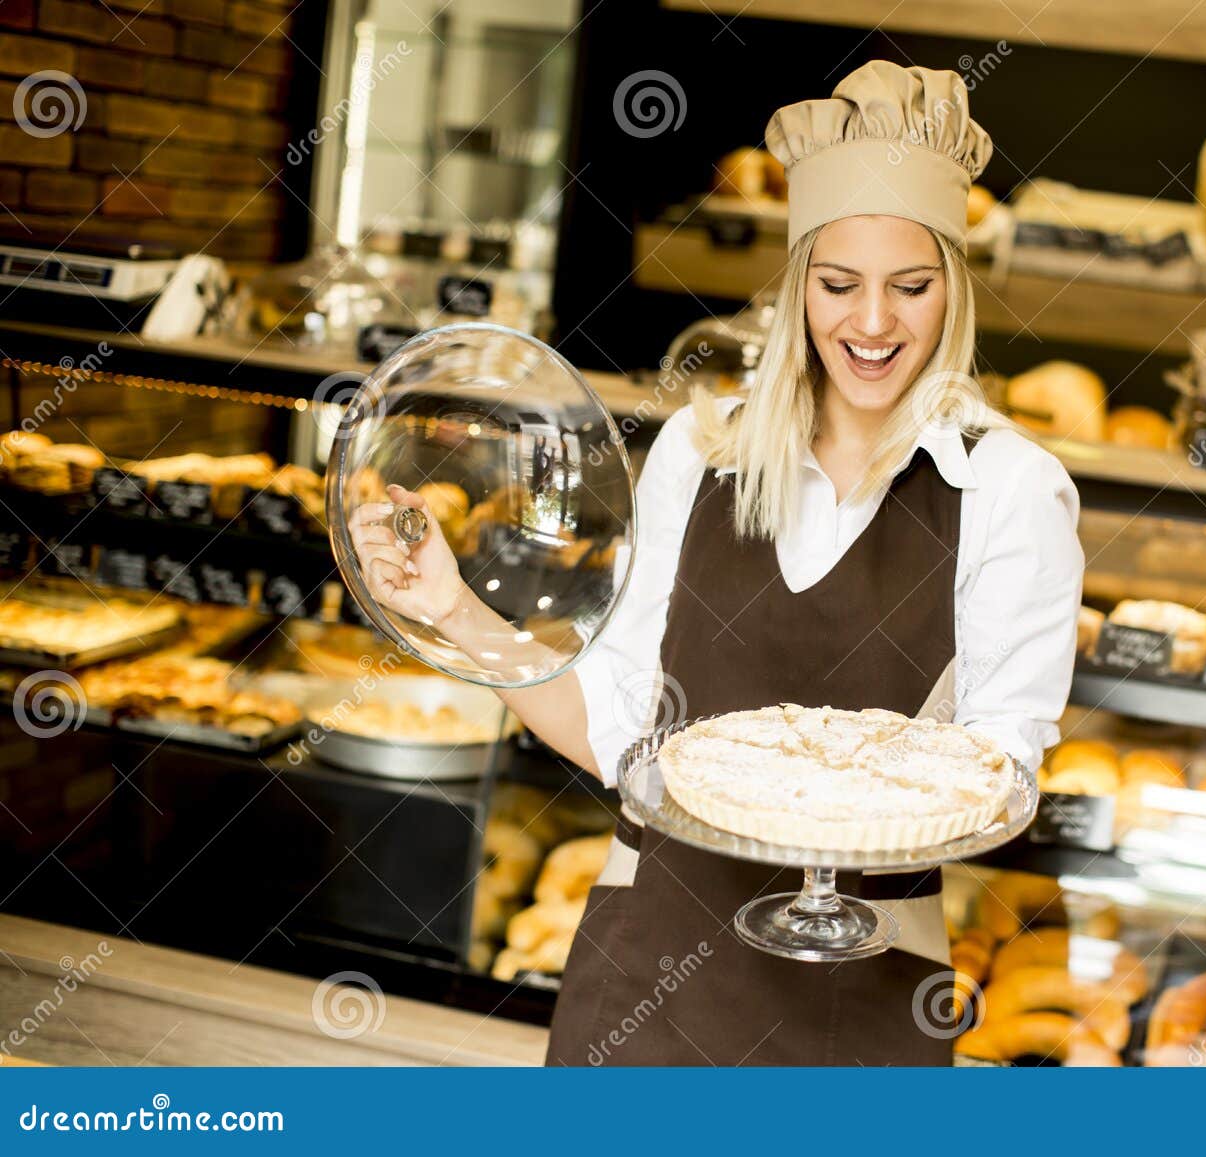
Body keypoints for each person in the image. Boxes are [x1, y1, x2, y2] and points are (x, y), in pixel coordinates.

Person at [350, 59, 1084, 1065]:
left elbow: (1003, 778)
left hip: (863, 995)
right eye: (837, 285)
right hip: (648, 981)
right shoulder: (699, 454)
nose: (871, 324)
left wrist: (833, 806)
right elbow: (617, 730)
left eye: (910, 288)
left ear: (952, 293)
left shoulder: (1010, 487)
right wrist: (457, 609)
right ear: (795, 288)